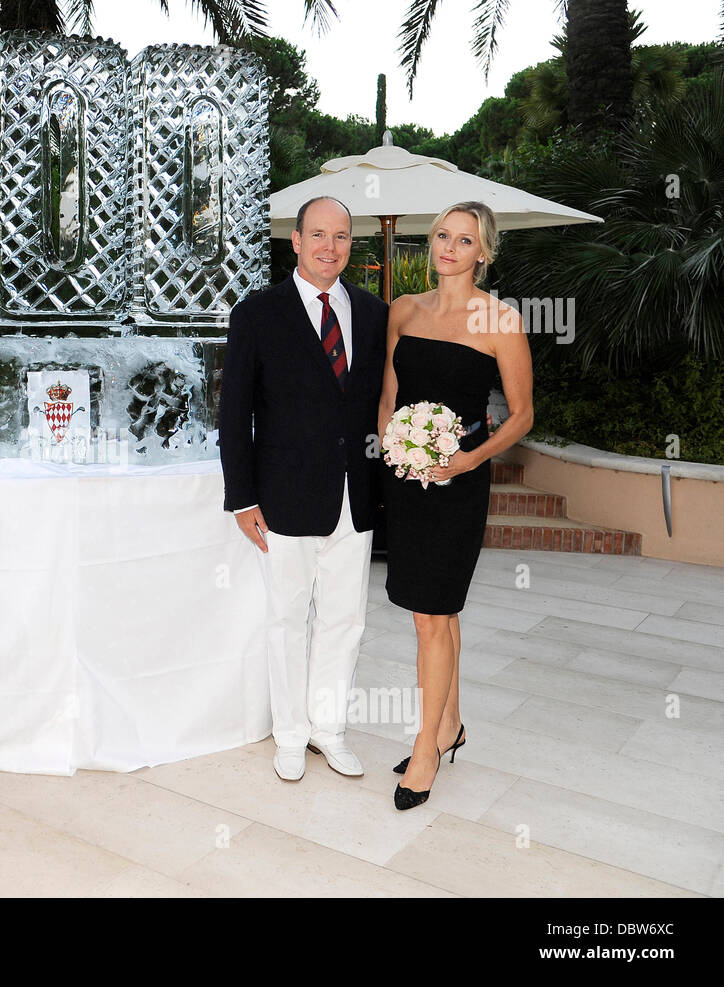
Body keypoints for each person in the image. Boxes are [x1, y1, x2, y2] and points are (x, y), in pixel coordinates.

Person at [219, 196, 389, 783]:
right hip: (282, 497)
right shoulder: (257, 314)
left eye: (340, 236)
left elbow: (378, 403)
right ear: (295, 241)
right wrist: (242, 497)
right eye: (318, 234)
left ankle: (328, 730)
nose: (329, 247)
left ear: (350, 244)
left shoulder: (373, 313)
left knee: (346, 619)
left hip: (354, 497)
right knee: (288, 621)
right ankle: (290, 735)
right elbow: (234, 412)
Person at [379, 201, 533, 810]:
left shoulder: (500, 320)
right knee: (438, 614)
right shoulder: (402, 310)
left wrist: (468, 460)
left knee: (431, 615)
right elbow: (389, 395)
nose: (449, 247)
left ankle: (425, 750)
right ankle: (450, 727)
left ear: (483, 253)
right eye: (442, 235)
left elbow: (521, 415)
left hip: (459, 483)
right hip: (406, 481)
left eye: (464, 240)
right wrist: (394, 447)